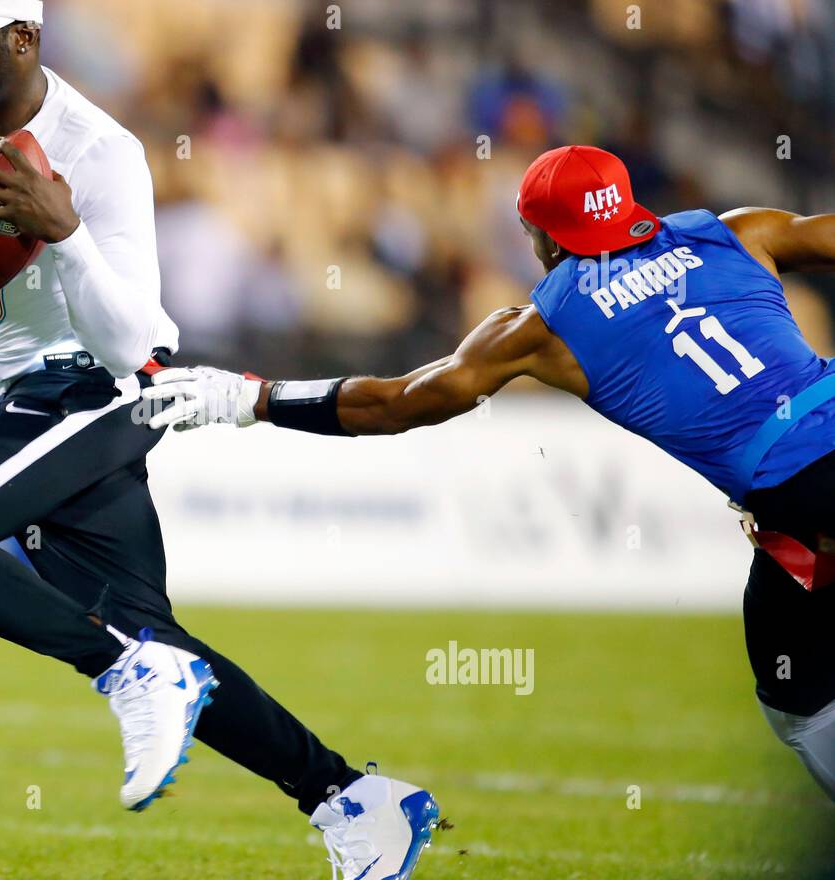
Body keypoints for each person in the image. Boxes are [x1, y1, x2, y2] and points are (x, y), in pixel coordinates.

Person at [0, 0, 437, 880]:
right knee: (153, 633)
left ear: (24, 38)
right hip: (32, 400)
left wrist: (65, 232)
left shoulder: (100, 149)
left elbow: (129, 341)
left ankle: (123, 668)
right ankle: (352, 801)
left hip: (103, 392)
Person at [144, 144, 835, 801]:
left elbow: (395, 404)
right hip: (804, 486)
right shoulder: (737, 231)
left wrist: (253, 398)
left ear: (544, 237)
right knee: (792, 681)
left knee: (799, 701)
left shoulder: (540, 327)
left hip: (801, 495)